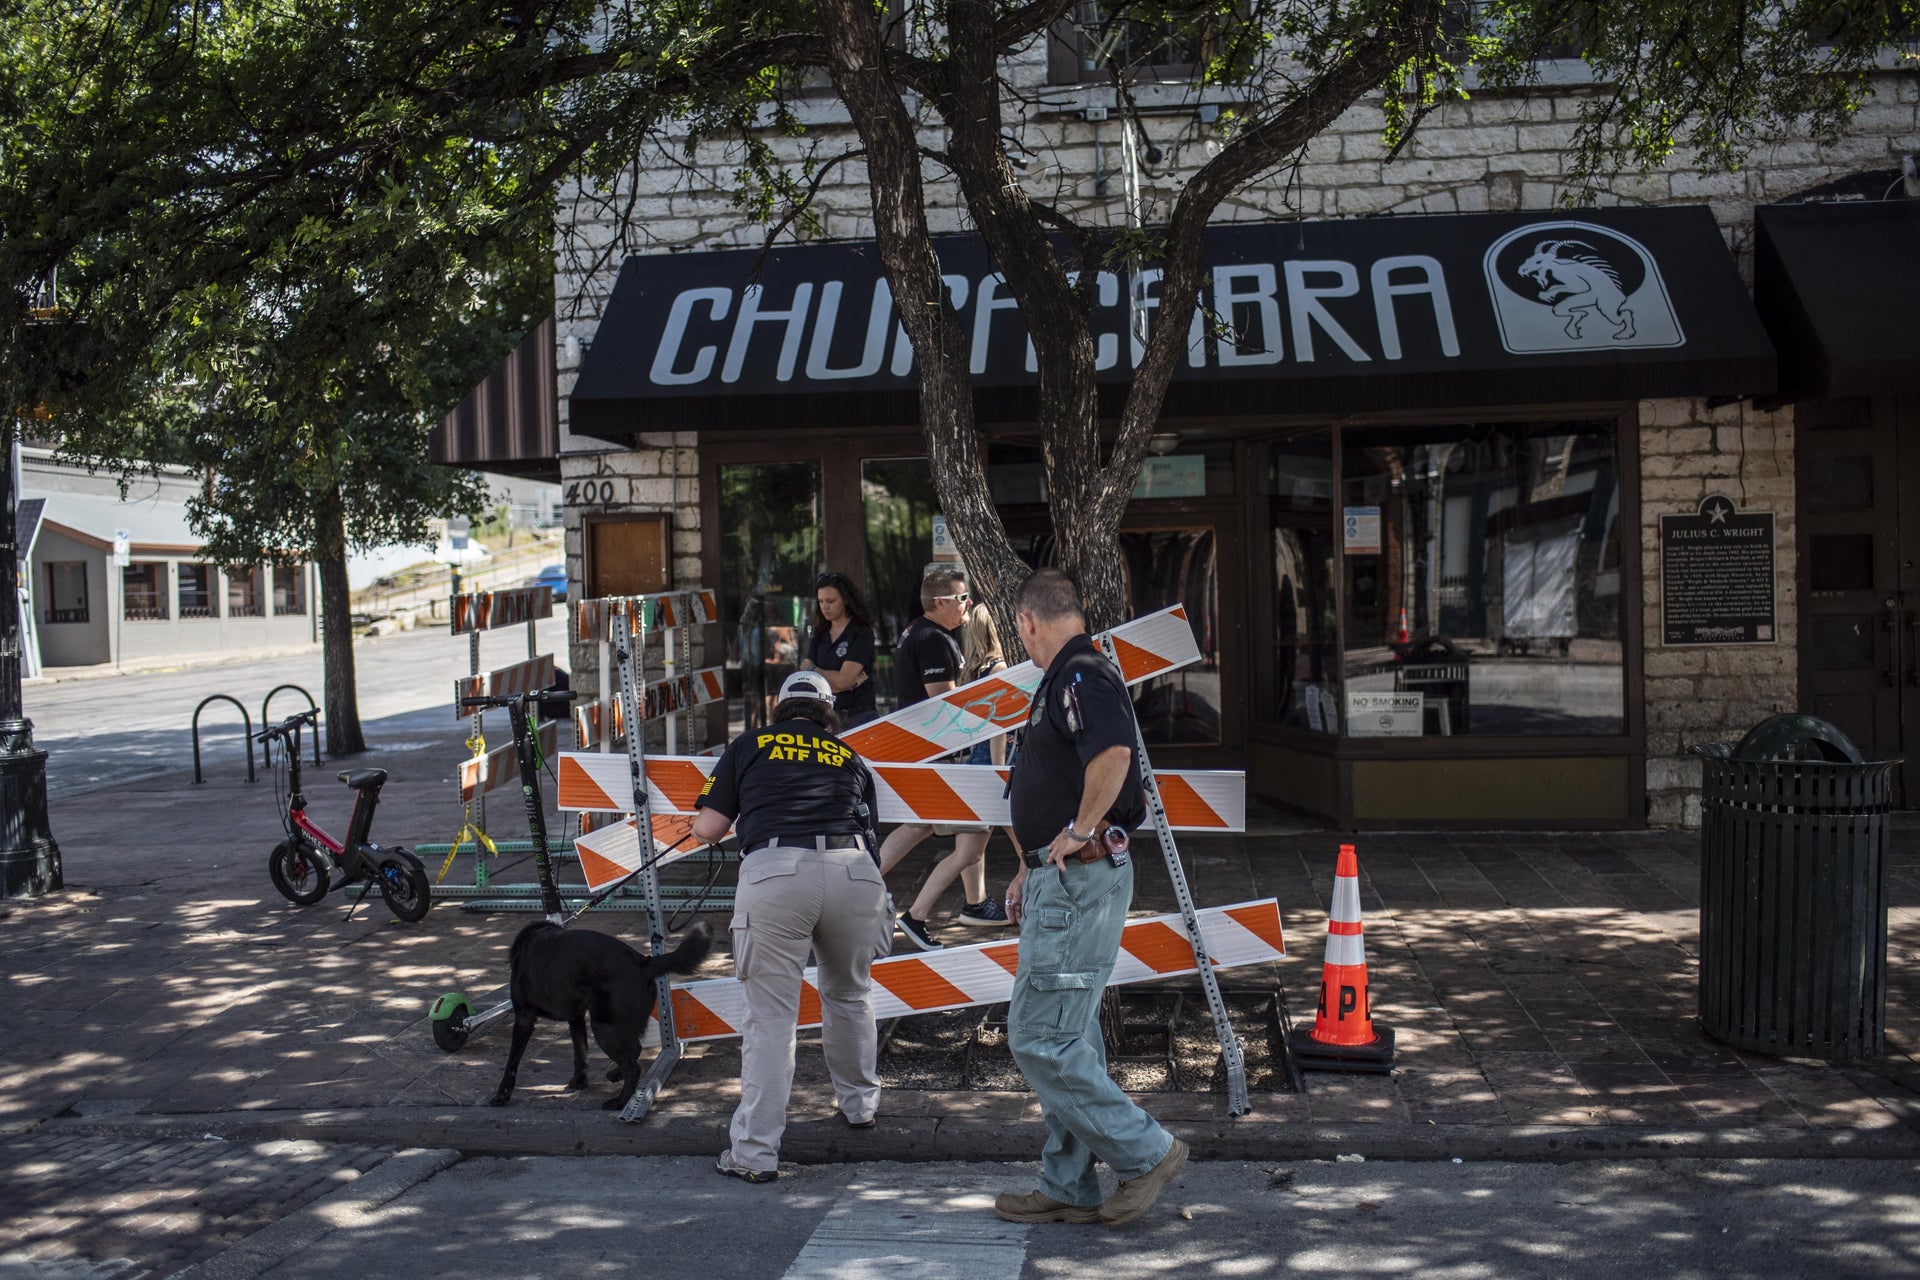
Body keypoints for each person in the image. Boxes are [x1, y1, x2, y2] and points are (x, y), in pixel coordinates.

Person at [994, 568, 1188, 1228]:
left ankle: (1146, 1153)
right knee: (1067, 1035)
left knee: (1039, 1037)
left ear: (1027, 622)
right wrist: (1030, 866)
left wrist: (1078, 833)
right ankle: (1068, 1183)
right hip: (1064, 876)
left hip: (1080, 875)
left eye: (1018, 630)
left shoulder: (1081, 673)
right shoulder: (1075, 674)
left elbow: (1113, 755)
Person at [691, 669, 890, 1185]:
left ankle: (755, 1153)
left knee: (771, 1017)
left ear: (778, 708)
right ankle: (860, 1106)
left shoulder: (750, 744)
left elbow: (709, 827)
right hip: (854, 872)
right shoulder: (848, 756)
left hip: (777, 872)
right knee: (851, 994)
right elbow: (871, 830)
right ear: (828, 713)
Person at [876, 569, 1004, 949]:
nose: (967, 604)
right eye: (962, 598)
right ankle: (872, 887)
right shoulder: (932, 639)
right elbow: (945, 704)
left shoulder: (922, 633)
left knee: (947, 829)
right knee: (936, 828)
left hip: (926, 750)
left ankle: (975, 903)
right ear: (939, 602)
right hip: (932, 751)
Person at [801, 570, 878, 728]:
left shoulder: (861, 633)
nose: (825, 607)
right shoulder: (819, 633)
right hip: (826, 717)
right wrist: (841, 682)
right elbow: (808, 682)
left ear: (846, 600)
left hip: (858, 717)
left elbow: (843, 681)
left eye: (830, 601)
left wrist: (813, 669)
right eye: (821, 601)